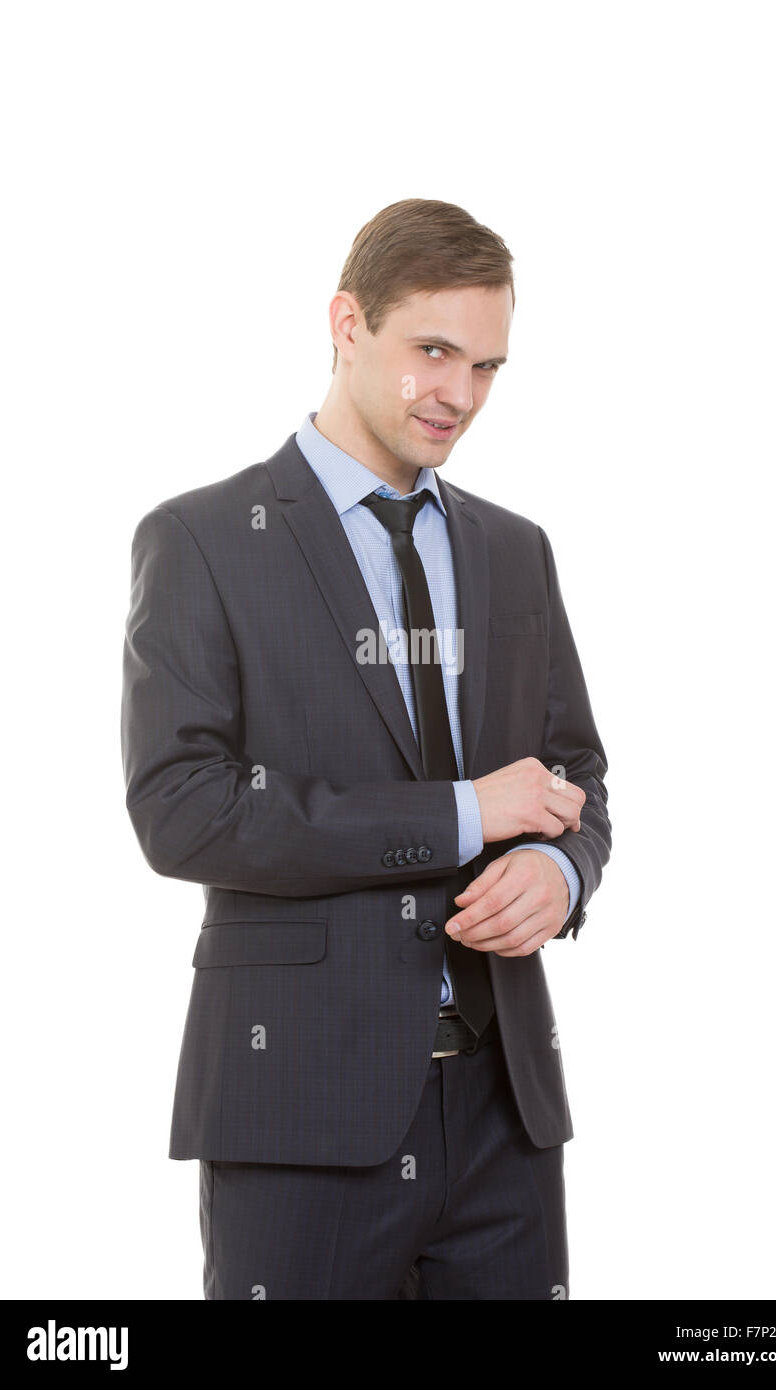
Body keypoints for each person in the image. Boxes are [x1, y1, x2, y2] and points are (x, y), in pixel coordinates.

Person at [121, 197, 611, 1300]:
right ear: (346, 325)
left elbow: (573, 775)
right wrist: (460, 814)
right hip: (299, 1114)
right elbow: (182, 807)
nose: (458, 395)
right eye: (430, 351)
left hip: (504, 1119)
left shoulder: (512, 551)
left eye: (486, 365)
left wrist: (557, 866)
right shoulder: (203, 541)